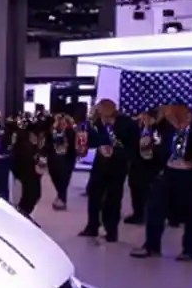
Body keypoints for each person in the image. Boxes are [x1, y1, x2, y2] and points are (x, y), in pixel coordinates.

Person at [133, 104, 192, 261]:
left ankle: (190, 251)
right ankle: (151, 246)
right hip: (169, 172)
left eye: (171, 115)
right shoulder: (167, 129)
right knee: (155, 207)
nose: (168, 118)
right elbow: (160, 148)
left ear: (186, 115)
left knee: (191, 214)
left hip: (191, 175)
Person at [79, 99, 138, 243]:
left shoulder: (127, 123)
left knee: (113, 198)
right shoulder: (97, 123)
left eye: (102, 109)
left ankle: (111, 231)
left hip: (118, 165)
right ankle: (92, 226)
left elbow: (133, 146)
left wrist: (116, 151)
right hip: (100, 164)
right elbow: (91, 141)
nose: (100, 112)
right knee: (94, 194)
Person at [124, 111, 159, 224]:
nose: (142, 117)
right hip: (135, 162)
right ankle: (138, 213)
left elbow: (160, 146)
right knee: (135, 187)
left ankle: (145, 214)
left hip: (149, 165)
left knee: (146, 190)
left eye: (145, 115)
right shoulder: (136, 126)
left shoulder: (157, 128)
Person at [11, 125, 46, 217]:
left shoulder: (31, 141)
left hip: (31, 172)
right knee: (30, 195)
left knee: (34, 194)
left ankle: (23, 214)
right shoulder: (24, 142)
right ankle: (22, 215)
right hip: (27, 172)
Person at [46, 113, 77, 210]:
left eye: (64, 123)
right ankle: (60, 197)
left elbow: (74, 145)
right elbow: (48, 142)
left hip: (67, 159)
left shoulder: (71, 132)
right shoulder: (52, 132)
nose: (62, 124)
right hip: (53, 160)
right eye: (60, 123)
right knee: (55, 177)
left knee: (64, 179)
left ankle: (62, 200)